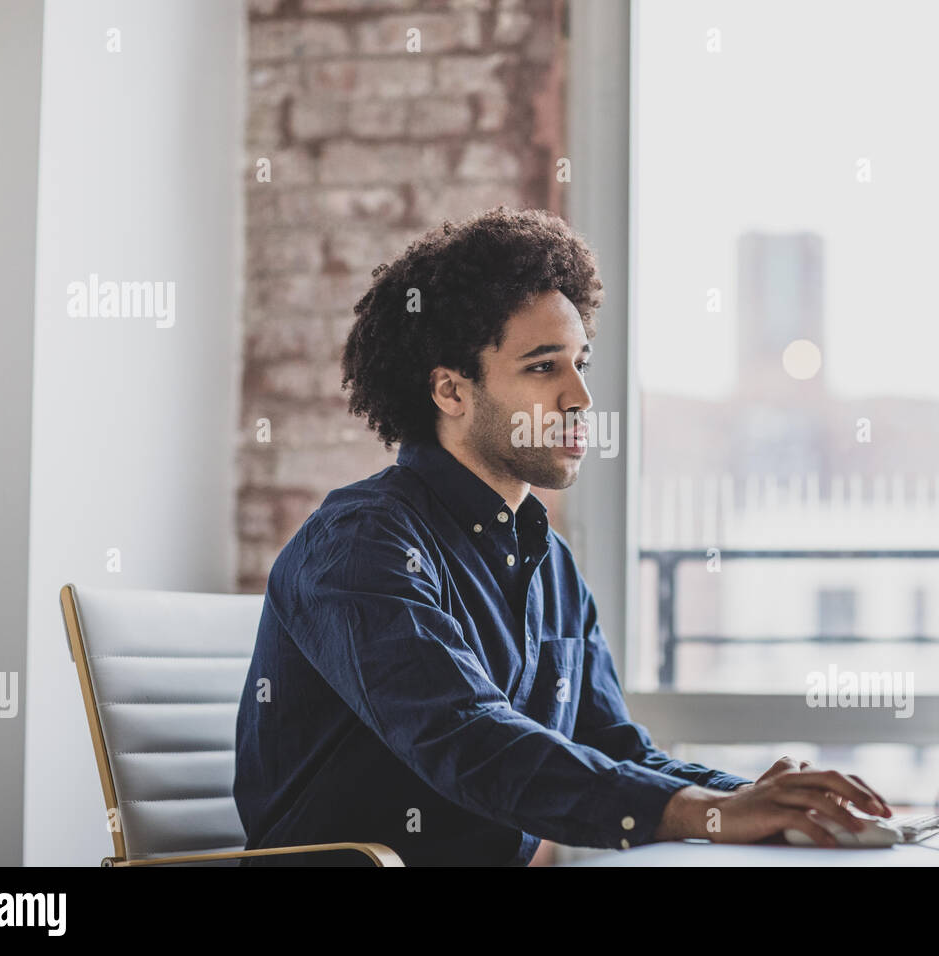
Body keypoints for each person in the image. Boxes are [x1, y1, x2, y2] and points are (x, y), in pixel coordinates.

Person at [233, 206, 892, 866]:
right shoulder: (361, 544)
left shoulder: (548, 562)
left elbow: (615, 751)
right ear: (451, 391)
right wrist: (714, 814)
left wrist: (756, 799)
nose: (580, 397)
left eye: (582, 363)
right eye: (544, 367)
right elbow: (468, 740)